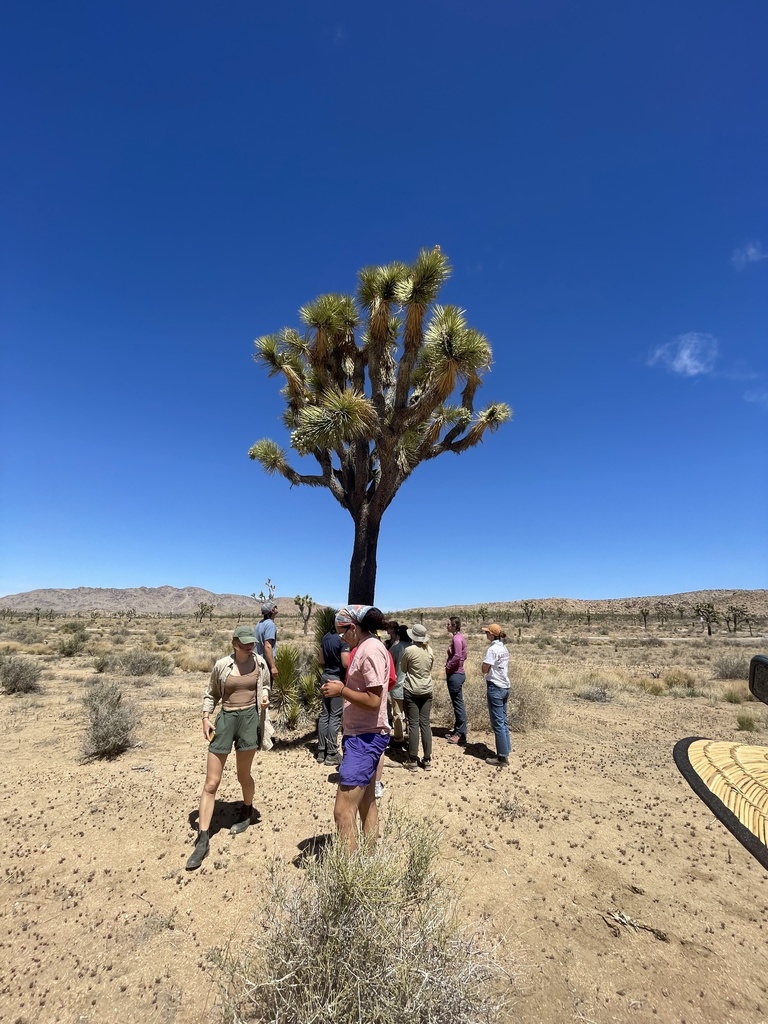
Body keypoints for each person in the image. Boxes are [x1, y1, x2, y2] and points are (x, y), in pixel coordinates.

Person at [185, 625, 271, 870]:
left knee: (244, 775)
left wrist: (264, 695)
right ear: (234, 643)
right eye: (244, 642)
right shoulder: (222, 665)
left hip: (249, 720)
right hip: (225, 720)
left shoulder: (260, 663)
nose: (249, 646)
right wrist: (205, 717)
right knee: (211, 782)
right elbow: (211, 693)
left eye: (251, 642)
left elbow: (264, 685)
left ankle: (246, 811)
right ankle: (202, 839)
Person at [320, 606, 390, 851]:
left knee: (342, 812)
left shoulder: (370, 650)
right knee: (366, 802)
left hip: (365, 737)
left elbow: (373, 700)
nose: (342, 639)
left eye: (343, 633)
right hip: (364, 734)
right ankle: (370, 861)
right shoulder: (367, 647)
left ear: (353, 627)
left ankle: (352, 874)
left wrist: (341, 690)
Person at [316, 615, 352, 767]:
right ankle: (331, 753)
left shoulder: (326, 637)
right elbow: (345, 662)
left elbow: (321, 660)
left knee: (325, 713)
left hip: (325, 676)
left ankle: (321, 750)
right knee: (335, 715)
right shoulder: (342, 640)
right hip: (337, 679)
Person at [401, 623, 434, 771]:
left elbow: (403, 668)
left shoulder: (409, 650)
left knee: (413, 724)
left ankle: (412, 759)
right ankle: (427, 759)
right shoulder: (430, 650)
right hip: (427, 689)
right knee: (425, 724)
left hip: (412, 689)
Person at [482, 623, 511, 767]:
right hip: (505, 686)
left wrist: (485, 671)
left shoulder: (492, 649)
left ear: (492, 634)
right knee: (503, 721)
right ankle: (506, 749)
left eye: (487, 632)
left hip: (495, 687)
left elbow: (485, 666)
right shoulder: (503, 647)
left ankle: (502, 757)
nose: (486, 634)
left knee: (498, 723)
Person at [445, 616, 468, 746]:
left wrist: (449, 667)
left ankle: (461, 734)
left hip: (455, 675)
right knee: (457, 704)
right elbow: (465, 655)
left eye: (449, 624)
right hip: (458, 673)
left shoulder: (456, 639)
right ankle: (457, 731)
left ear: (454, 625)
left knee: (458, 706)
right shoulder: (459, 637)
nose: (447, 626)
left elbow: (458, 656)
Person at [387, 624, 409, 748]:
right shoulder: (413, 648)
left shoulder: (394, 649)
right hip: (411, 686)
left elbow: (390, 667)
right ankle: (412, 737)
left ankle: (398, 737)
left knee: (397, 714)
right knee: (410, 714)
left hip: (397, 686)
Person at [254, 600, 278, 681]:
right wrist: (273, 667)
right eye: (275, 607)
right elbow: (268, 646)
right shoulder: (270, 625)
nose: (276, 607)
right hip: (265, 662)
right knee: (266, 688)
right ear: (272, 611)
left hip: (256, 661)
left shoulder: (260, 623)